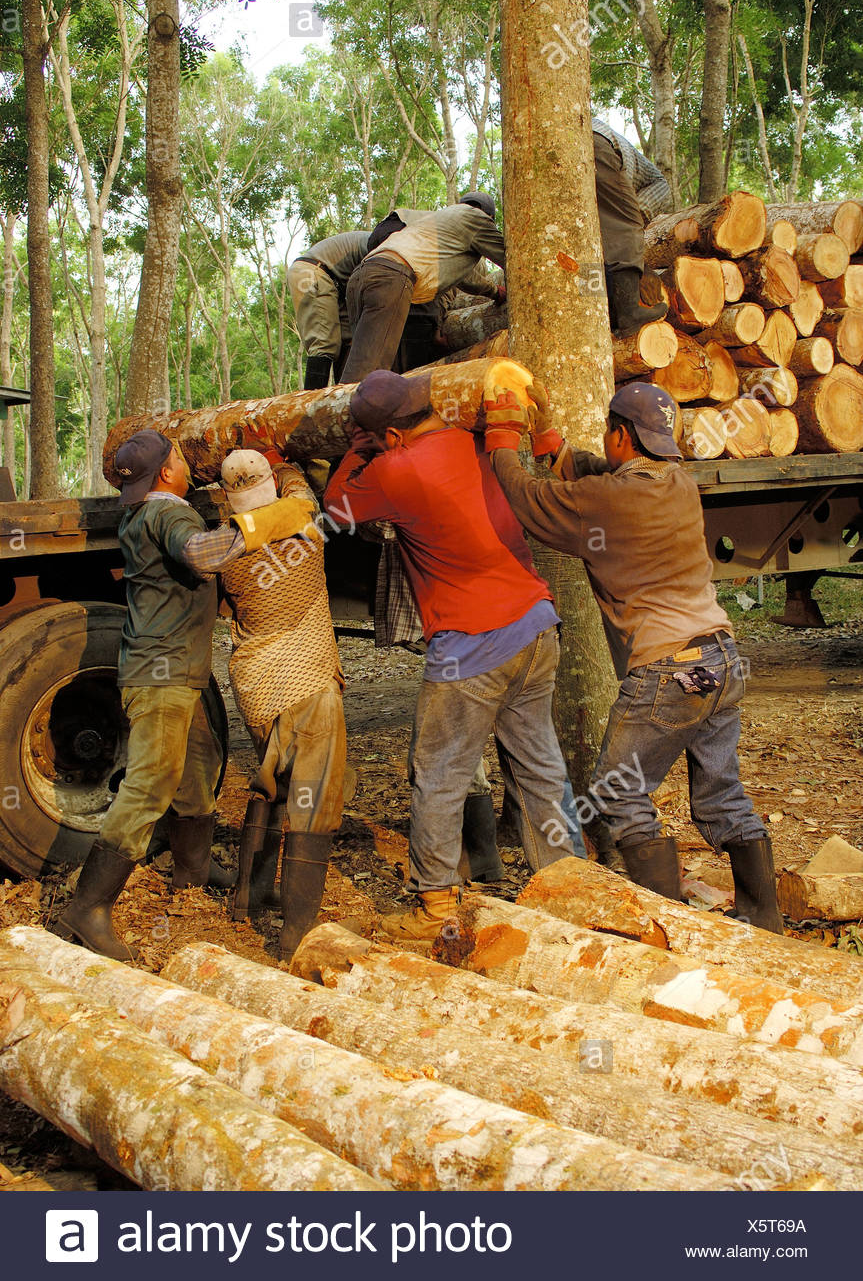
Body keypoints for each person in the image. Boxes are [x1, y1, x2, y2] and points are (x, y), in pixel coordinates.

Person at [483, 379, 783, 932]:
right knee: (722, 793)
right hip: (721, 659)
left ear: (621, 435)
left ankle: (667, 930)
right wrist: (555, 446)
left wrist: (501, 437)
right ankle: (765, 922)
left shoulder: (608, 499)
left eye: (609, 435)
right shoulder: (678, 482)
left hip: (669, 672)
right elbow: (604, 479)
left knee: (618, 797)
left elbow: (530, 500)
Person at [323, 369, 574, 942]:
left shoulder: (393, 469)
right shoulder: (474, 440)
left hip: (471, 644)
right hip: (537, 626)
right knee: (539, 767)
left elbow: (335, 509)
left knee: (438, 773)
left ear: (388, 435)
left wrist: (354, 451)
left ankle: (436, 908)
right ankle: (567, 888)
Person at [53, 429, 319, 962]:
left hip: (177, 669)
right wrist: (279, 515)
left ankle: (192, 870)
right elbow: (203, 554)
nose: (183, 461)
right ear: (169, 472)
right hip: (161, 676)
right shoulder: (166, 513)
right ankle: (87, 907)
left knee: (199, 765)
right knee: (151, 783)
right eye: (178, 456)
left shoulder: (140, 511)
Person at [216, 448, 346, 961]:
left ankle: (248, 894)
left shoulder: (229, 554)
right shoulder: (305, 539)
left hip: (257, 686)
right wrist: (286, 461)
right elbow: (302, 496)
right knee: (315, 801)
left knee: (271, 782)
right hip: (307, 685)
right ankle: (296, 931)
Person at [341, 193, 506, 386]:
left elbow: (466, 278)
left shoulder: (440, 220)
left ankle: (334, 409)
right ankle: (337, 415)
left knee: (362, 369)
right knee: (366, 381)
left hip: (361, 275)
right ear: (489, 217)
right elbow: (511, 257)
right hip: (392, 278)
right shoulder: (476, 219)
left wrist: (494, 291)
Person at [591, 117, 671, 337]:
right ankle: (628, 312)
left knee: (586, 243)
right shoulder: (658, 185)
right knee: (626, 223)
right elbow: (635, 213)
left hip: (576, 140)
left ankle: (594, 309)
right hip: (594, 142)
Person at [287, 231, 371, 389]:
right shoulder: (382, 244)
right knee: (323, 342)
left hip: (337, 283)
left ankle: (341, 397)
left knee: (350, 339)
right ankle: (311, 405)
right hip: (312, 270)